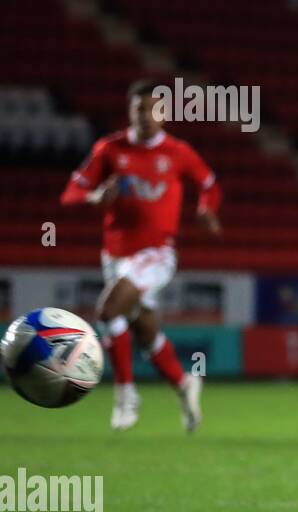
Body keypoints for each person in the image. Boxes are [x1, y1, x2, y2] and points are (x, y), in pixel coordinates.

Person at [61, 79, 223, 431]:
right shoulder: (110, 149)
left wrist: (206, 209)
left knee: (107, 310)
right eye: (139, 109)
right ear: (129, 112)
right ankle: (184, 384)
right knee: (142, 328)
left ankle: (125, 394)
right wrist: (94, 197)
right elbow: (72, 191)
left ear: (165, 114)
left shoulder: (179, 153)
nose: (146, 116)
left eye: (154, 109)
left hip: (157, 253)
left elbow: (209, 183)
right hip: (115, 255)